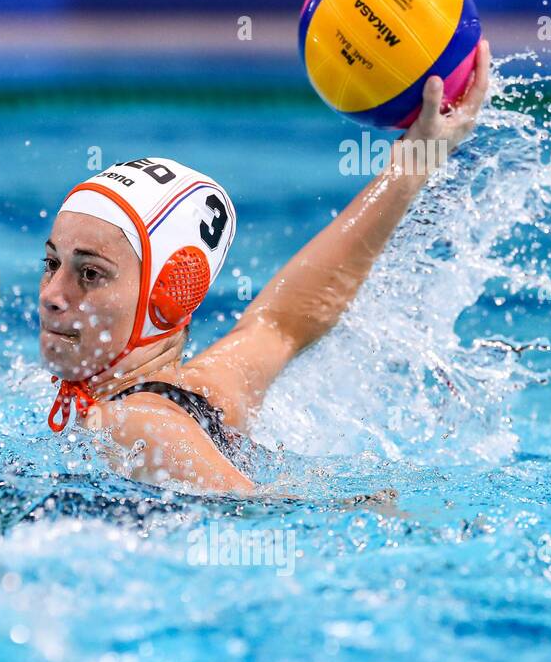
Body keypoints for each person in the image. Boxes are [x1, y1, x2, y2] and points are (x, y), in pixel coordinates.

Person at [40, 40, 492, 493]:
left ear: (169, 295)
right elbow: (284, 321)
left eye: (90, 274)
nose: (52, 296)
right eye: (52, 262)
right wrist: (416, 160)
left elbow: (264, 511)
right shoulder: (203, 391)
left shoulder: (133, 424)